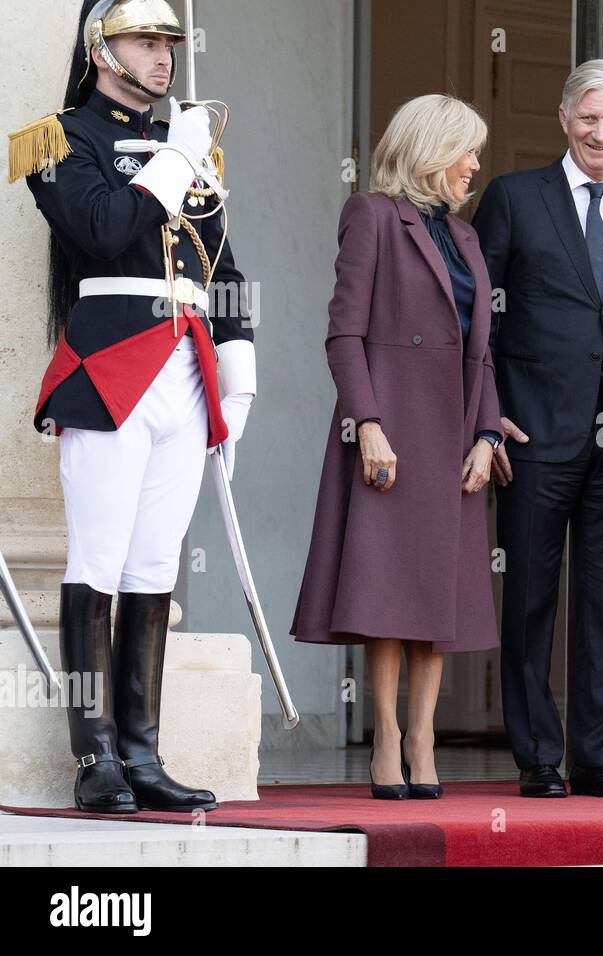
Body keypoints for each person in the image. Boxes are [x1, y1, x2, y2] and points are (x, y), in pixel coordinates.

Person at [9, 0, 256, 813]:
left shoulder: (183, 144)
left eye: (167, 42)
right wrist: (176, 157)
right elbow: (105, 229)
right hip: (111, 364)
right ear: (100, 47)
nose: (163, 56)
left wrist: (239, 363)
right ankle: (95, 759)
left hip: (185, 365)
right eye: (144, 40)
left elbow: (222, 261)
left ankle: (143, 753)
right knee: (98, 561)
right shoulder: (61, 138)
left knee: (154, 566)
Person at [291, 94, 501, 800]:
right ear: (430, 150)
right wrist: (367, 425)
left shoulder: (467, 239)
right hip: (392, 432)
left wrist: (487, 432)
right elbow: (343, 331)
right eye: (466, 150)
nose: (475, 164)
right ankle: (386, 739)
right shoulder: (373, 215)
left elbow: (483, 352)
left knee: (434, 601)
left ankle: (424, 739)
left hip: (452, 437)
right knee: (388, 593)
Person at [473, 59, 603, 798]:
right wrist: (487, 411)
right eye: (588, 118)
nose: (600, 132)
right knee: (528, 595)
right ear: (563, 119)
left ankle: (598, 757)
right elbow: (478, 314)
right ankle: (536, 756)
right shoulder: (514, 198)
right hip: (532, 430)